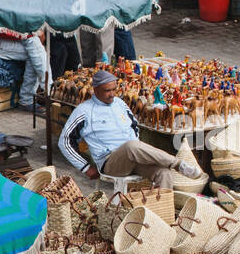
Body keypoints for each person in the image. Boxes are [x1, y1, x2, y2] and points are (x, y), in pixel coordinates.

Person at [58, 69, 201, 188]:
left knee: (164, 174)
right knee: (131, 146)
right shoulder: (84, 111)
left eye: (114, 89)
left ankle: (157, 217)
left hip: (134, 157)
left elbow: (134, 125)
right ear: (95, 90)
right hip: (111, 162)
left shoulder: (119, 103)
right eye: (107, 91)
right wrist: (85, 167)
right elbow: (65, 141)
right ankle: (177, 164)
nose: (112, 94)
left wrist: (139, 150)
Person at [0, 30, 48, 113]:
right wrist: (33, 33)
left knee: (35, 46)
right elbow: (6, 29)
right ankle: (43, 91)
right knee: (35, 49)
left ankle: (44, 89)